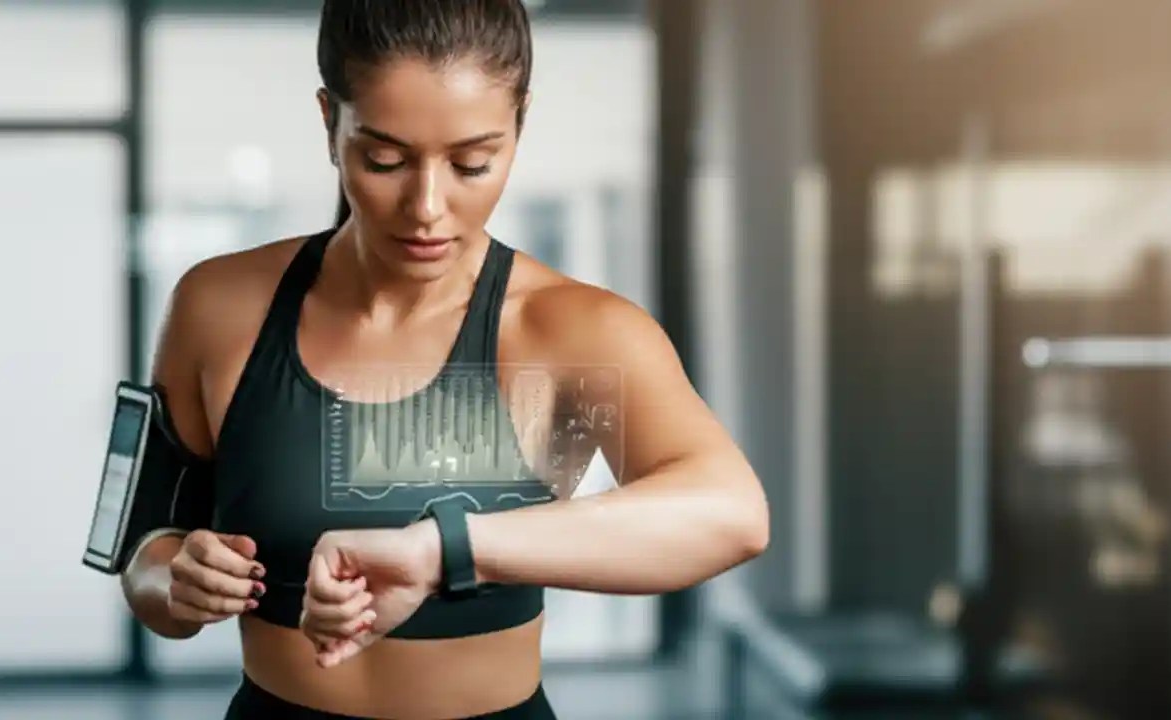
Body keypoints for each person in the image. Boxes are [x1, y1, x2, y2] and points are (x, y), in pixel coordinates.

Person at [118, 1, 770, 718]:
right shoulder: (218, 306)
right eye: (385, 159)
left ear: (520, 123)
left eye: (472, 163)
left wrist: (445, 550)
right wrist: (176, 582)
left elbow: (732, 516)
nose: (427, 205)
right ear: (329, 123)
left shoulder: (571, 333)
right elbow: (142, 549)